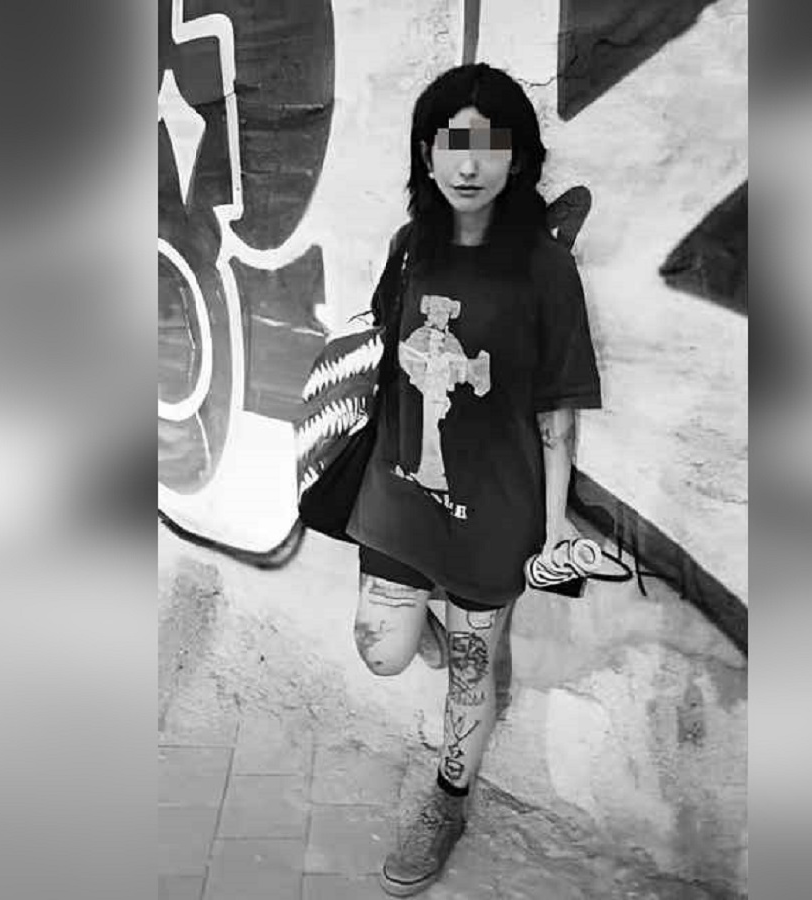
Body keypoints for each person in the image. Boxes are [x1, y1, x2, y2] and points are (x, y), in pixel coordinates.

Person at [345, 62, 602, 897]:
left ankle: (448, 801)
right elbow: (381, 351)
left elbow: (559, 406)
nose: (468, 164)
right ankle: (447, 634)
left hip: (493, 508)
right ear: (426, 153)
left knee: (467, 669)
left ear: (517, 159)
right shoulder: (410, 247)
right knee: (382, 648)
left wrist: (554, 525)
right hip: (398, 492)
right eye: (451, 144)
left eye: (489, 146)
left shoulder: (543, 266)